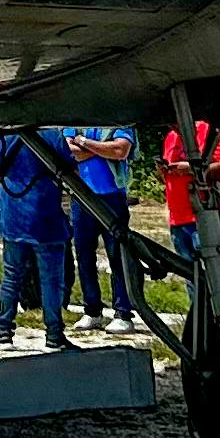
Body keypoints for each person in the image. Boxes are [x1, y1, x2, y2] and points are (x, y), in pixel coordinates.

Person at [0, 128, 74, 351]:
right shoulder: (53, 134)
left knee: (11, 276)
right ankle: (54, 335)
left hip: (14, 214)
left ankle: (4, 333)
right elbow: (70, 169)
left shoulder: (3, 135)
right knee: (52, 280)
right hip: (46, 215)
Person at [61, 126, 135, 323]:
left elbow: (121, 151)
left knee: (118, 255)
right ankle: (92, 310)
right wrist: (103, 150)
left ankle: (123, 312)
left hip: (113, 197)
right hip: (81, 196)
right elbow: (70, 154)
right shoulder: (73, 122)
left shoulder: (117, 122)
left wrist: (84, 143)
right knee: (84, 255)